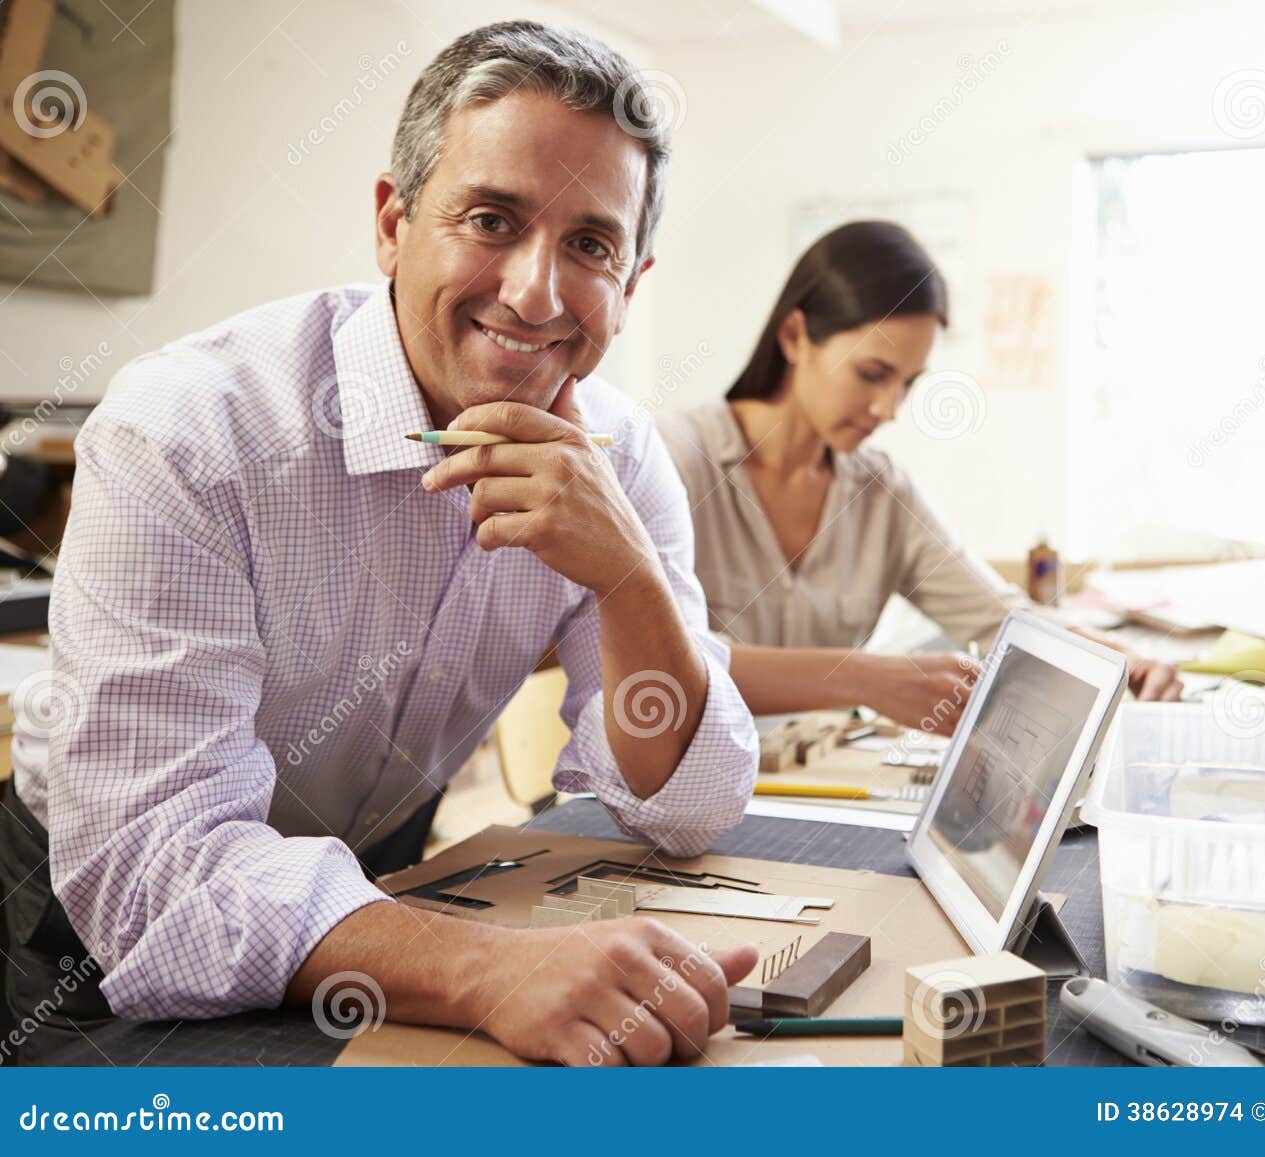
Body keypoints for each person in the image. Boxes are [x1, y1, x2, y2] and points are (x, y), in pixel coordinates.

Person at [0, 22, 759, 1068]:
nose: (537, 292)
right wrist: (491, 966)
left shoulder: (621, 460)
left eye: (590, 244)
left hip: (369, 878)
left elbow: (694, 803)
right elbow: (153, 873)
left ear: (631, 280)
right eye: (491, 219)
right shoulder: (186, 429)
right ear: (393, 225)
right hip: (93, 915)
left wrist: (626, 572)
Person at [658, 221, 1181, 734]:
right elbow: (662, 664)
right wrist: (864, 679)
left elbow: (1001, 619)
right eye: (872, 375)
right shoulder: (672, 458)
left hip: (814, 783)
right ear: (795, 337)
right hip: (689, 794)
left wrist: (1119, 659)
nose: (889, 409)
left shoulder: (880, 493)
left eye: (907, 384)